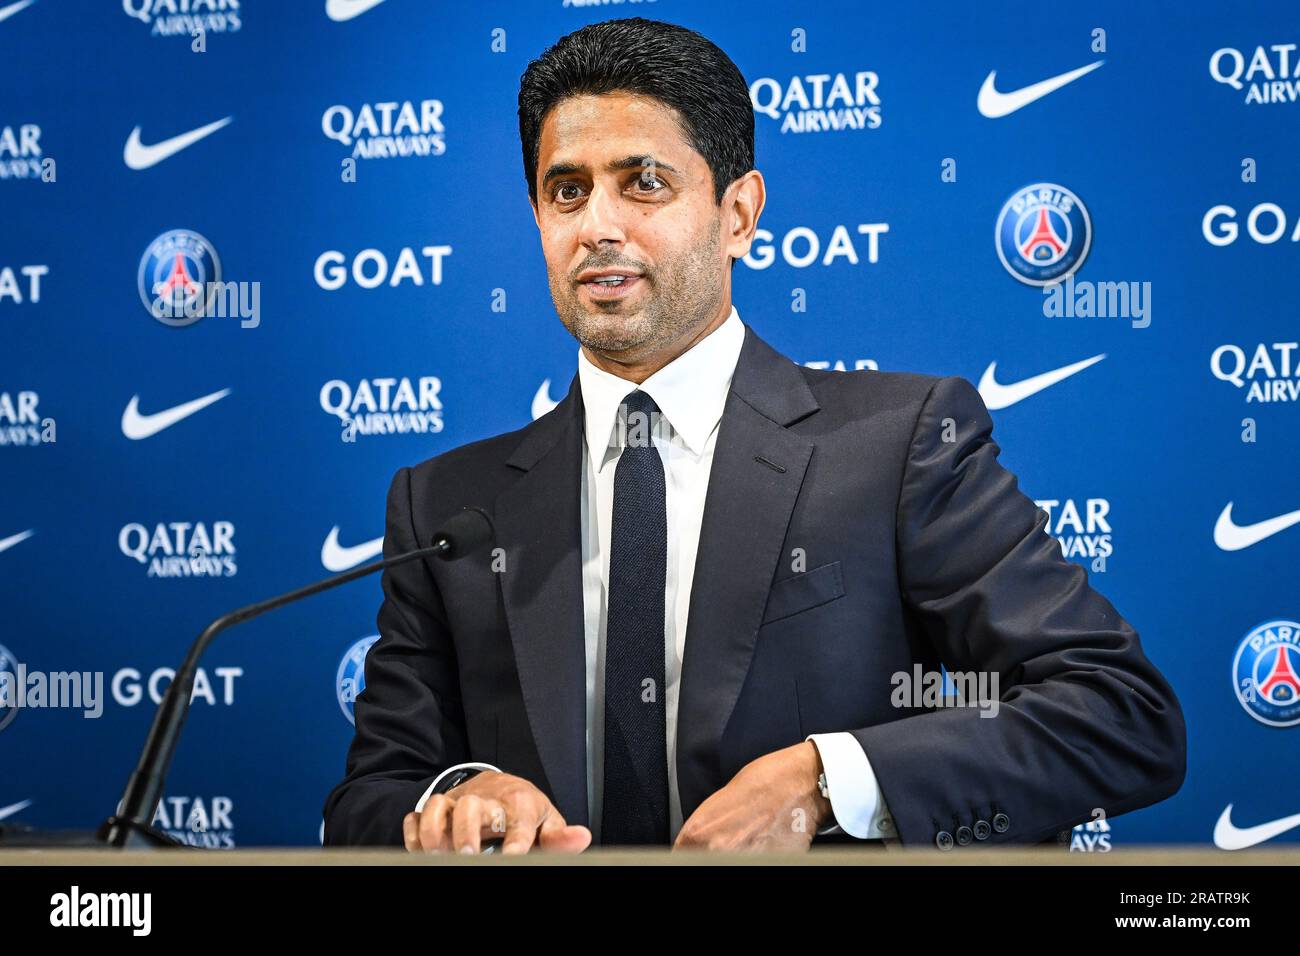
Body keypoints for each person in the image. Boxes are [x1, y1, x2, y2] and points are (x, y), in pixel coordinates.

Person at [323, 17, 1185, 854]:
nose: (598, 226)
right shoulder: (446, 503)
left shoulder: (898, 447)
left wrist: (826, 782)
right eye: (567, 191)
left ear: (739, 214)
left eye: (644, 182)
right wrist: (453, 797)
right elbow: (369, 798)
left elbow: (1118, 713)